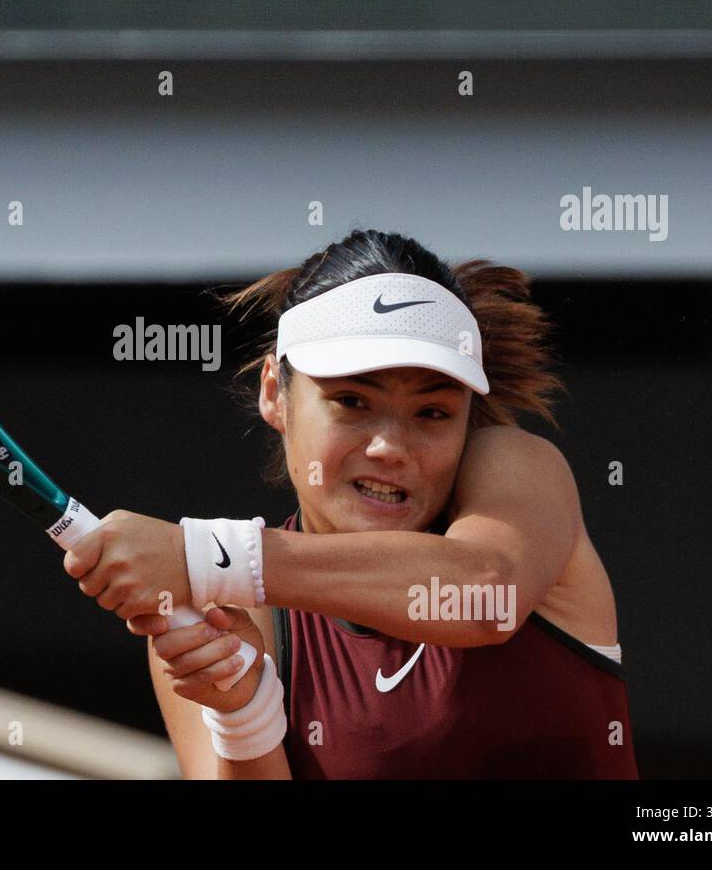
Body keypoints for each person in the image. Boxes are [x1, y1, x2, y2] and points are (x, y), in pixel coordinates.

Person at [64, 229, 638, 779]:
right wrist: (244, 714)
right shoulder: (232, 619)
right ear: (274, 393)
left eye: (432, 413)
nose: (390, 447)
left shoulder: (516, 465)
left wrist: (205, 555)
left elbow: (486, 595)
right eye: (352, 401)